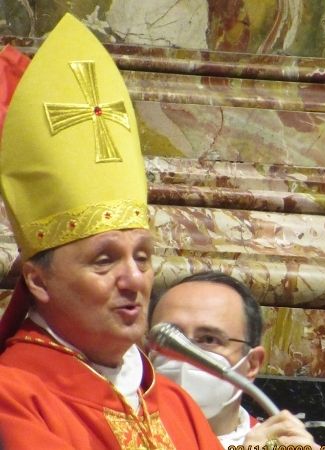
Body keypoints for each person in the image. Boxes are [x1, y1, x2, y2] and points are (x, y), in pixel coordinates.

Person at [0, 15, 222, 449]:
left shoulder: (177, 406)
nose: (134, 278)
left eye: (142, 257)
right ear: (38, 280)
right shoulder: (15, 397)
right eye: (105, 259)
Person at [149, 271, 317, 448]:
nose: (184, 356)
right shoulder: (121, 437)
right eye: (169, 340)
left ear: (252, 364)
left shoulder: (278, 443)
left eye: (209, 339)